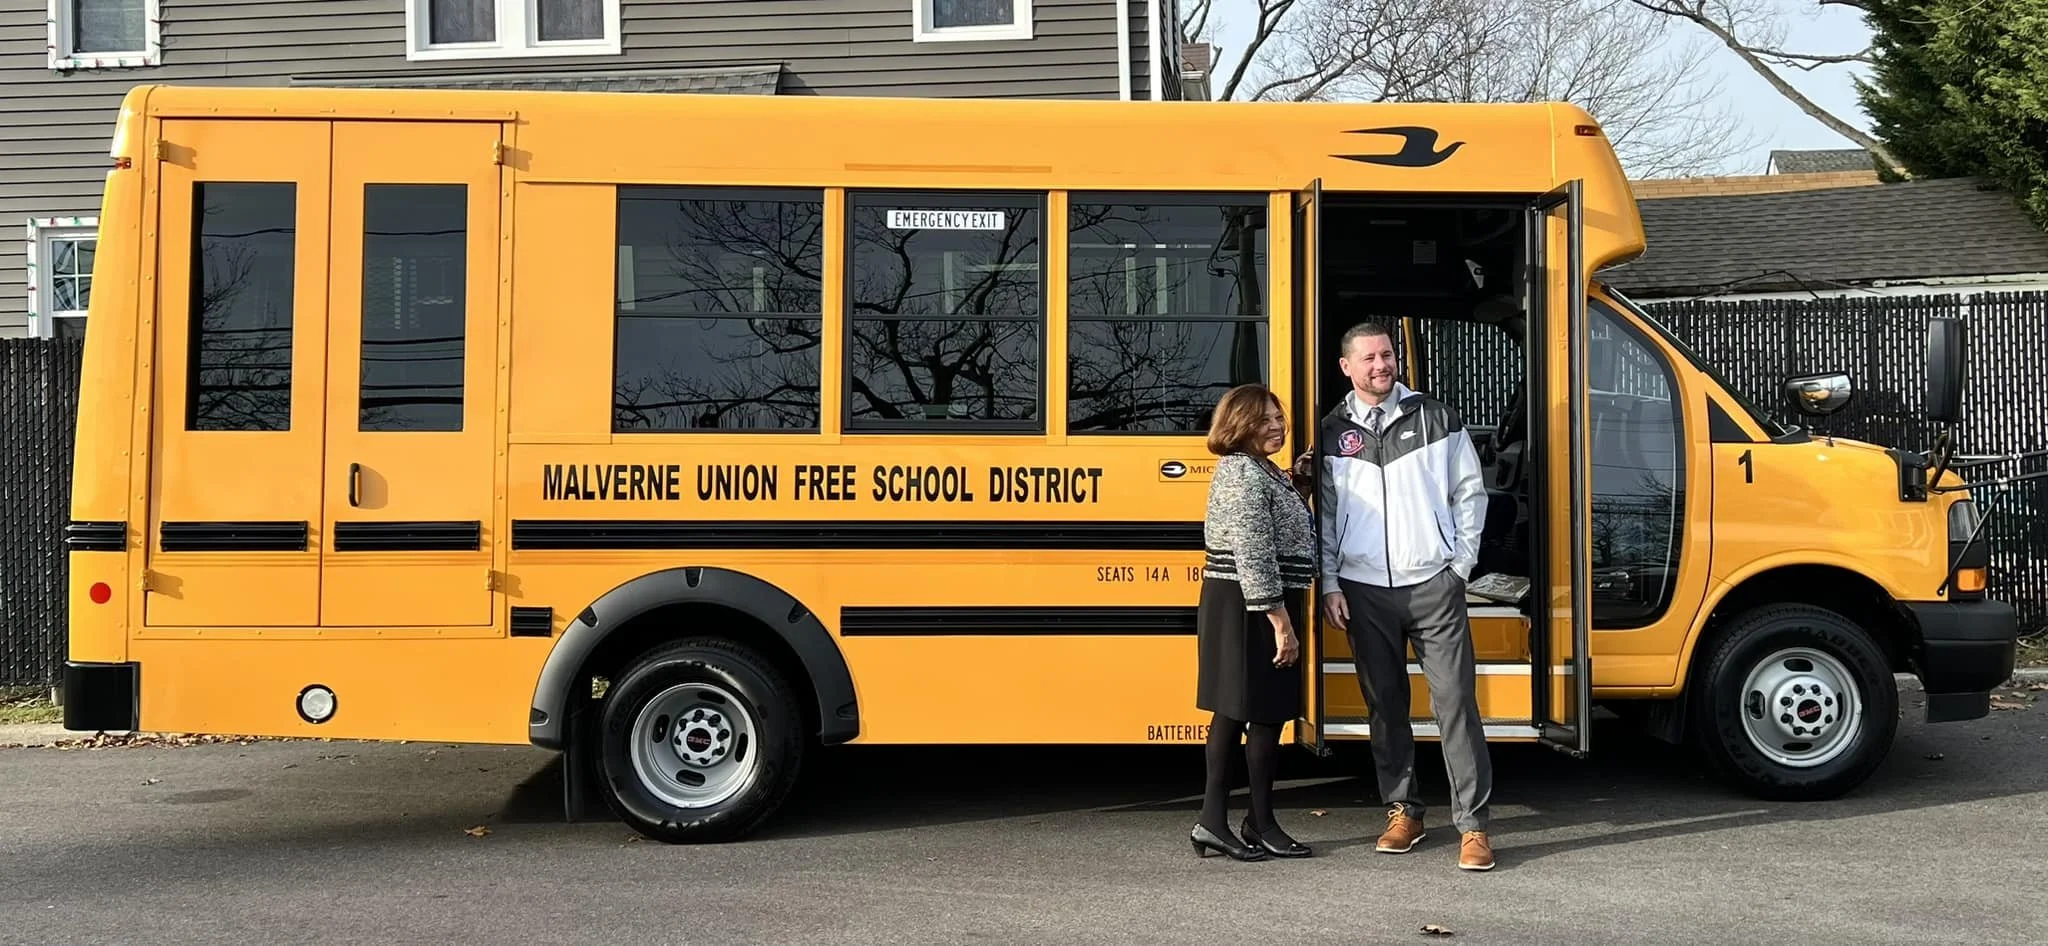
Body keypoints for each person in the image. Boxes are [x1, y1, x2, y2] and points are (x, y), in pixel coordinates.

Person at [1315, 321, 1497, 872]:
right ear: (1346, 366)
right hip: (1363, 589)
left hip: (1433, 586)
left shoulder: (1436, 417)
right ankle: (1404, 811)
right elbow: (1323, 516)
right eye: (1369, 357)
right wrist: (1329, 582)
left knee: (1456, 706)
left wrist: (1459, 566)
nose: (1381, 365)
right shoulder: (1330, 430)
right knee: (1386, 707)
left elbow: (1470, 491)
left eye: (1387, 355)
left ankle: (1474, 827)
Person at [1189, 383, 1317, 861]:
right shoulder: (1242, 473)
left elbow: (1271, 522)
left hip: (1245, 602)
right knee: (1261, 716)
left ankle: (1217, 822)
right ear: (1239, 424)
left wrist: (1297, 482)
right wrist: (1280, 620)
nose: (1277, 426)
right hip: (1251, 604)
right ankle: (1254, 823)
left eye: (1278, 418)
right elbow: (1253, 551)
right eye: (1264, 419)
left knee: (1236, 713)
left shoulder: (1258, 470)